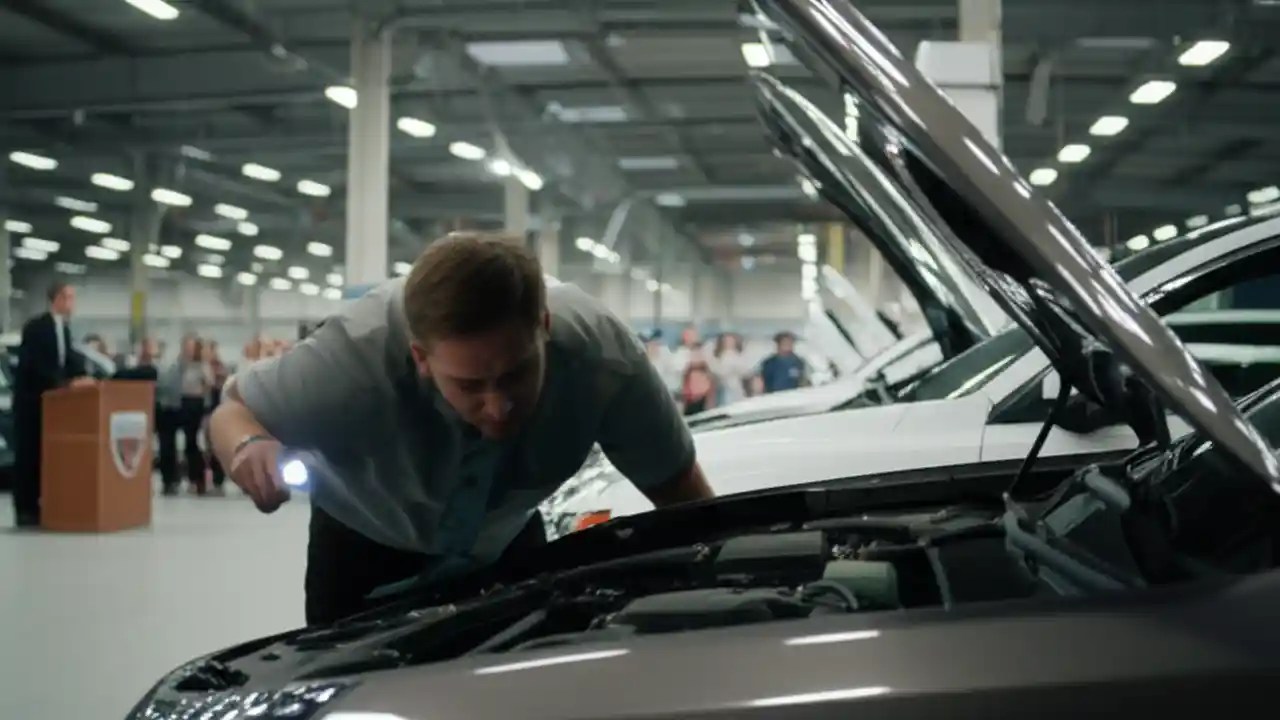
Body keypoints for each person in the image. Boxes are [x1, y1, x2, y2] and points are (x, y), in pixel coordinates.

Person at [210, 232, 713, 625]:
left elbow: (682, 495)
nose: (498, 407)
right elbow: (232, 411)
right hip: (363, 548)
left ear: (543, 327)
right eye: (470, 385)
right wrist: (249, 445)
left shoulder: (605, 362)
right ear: (420, 359)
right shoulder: (350, 359)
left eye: (517, 374)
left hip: (505, 539)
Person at [11, 282, 90, 527]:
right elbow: (35, 366)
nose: (72, 303)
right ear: (56, 299)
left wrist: (82, 377)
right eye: (68, 297)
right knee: (28, 457)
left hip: (55, 408)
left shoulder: (64, 330)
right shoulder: (36, 327)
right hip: (31, 405)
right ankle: (25, 509)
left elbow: (66, 361)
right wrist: (65, 383)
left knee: (46, 457)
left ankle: (45, 504)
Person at [157, 335, 213, 496]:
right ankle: (170, 480)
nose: (188, 350)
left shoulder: (201, 365)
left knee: (192, 443)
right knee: (168, 443)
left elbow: (208, 385)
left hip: (193, 403)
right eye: (186, 346)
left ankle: (196, 480)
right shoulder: (175, 365)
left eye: (191, 347)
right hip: (175, 403)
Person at [204, 341, 230, 494]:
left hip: (217, 410)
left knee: (216, 448)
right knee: (206, 449)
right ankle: (204, 481)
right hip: (204, 411)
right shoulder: (200, 367)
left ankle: (218, 481)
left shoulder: (220, 369)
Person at [710, 332, 753, 405]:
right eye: (726, 341)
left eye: (731, 341)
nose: (729, 343)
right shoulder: (719, 356)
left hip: (737, 386)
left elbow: (746, 371)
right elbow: (716, 370)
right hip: (724, 386)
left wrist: (736, 369)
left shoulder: (738, 355)